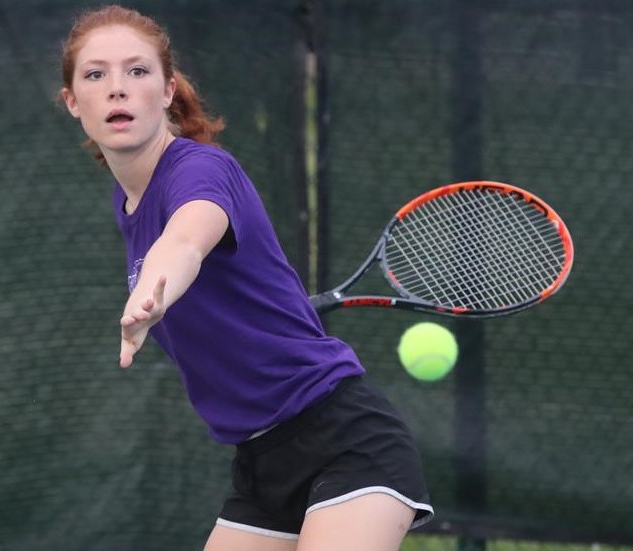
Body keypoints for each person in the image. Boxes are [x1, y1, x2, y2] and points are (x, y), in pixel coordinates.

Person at [58, 5, 433, 550]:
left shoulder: (201, 170)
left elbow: (187, 239)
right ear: (73, 101)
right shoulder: (127, 202)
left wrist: (152, 292)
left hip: (345, 441)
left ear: (166, 90)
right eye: (95, 75)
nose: (117, 88)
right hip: (260, 464)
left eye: (137, 71)